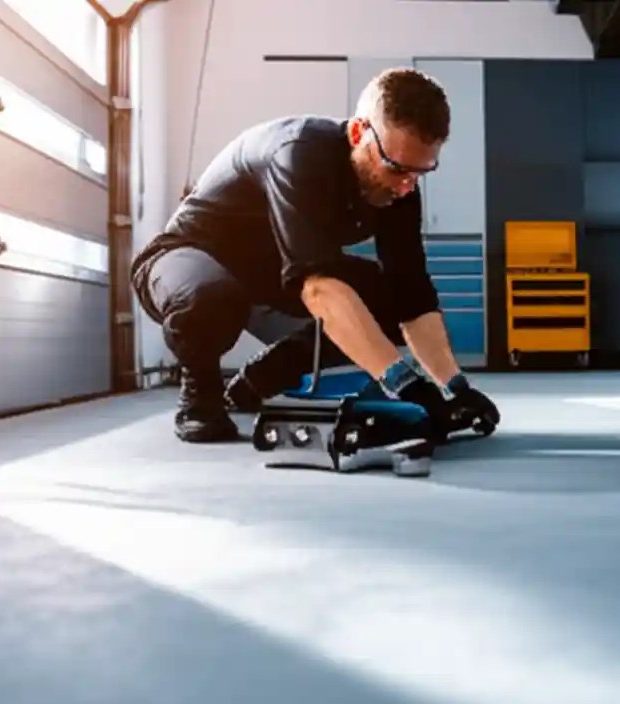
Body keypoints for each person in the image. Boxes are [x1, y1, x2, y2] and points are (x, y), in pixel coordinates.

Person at [130, 67, 499, 443]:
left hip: (271, 272)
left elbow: (412, 292)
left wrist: (455, 388)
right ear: (358, 133)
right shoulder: (299, 152)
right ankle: (201, 398)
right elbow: (319, 288)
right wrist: (406, 386)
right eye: (397, 168)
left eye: (420, 173)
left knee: (387, 295)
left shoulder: (400, 187)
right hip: (188, 258)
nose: (406, 186)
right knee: (213, 295)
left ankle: (262, 378)